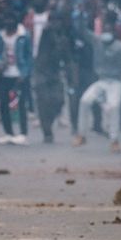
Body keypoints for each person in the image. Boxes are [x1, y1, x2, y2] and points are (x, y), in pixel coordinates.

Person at [74, 29, 121, 152]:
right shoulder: (97, 41)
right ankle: (81, 135)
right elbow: (84, 31)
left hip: (117, 82)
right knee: (85, 101)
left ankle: (114, 141)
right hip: (101, 81)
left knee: (114, 106)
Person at [0, 13, 32, 145]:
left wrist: (24, 73)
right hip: (4, 74)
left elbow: (28, 56)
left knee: (20, 105)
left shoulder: (24, 36)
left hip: (19, 74)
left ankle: (23, 134)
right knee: (3, 104)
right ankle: (8, 133)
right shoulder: (0, 34)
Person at [31, 13, 69, 144]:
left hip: (55, 73)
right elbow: (46, 54)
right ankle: (47, 132)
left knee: (59, 100)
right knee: (43, 103)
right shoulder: (47, 34)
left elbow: (66, 57)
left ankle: (49, 124)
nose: (56, 24)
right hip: (42, 72)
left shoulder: (63, 37)